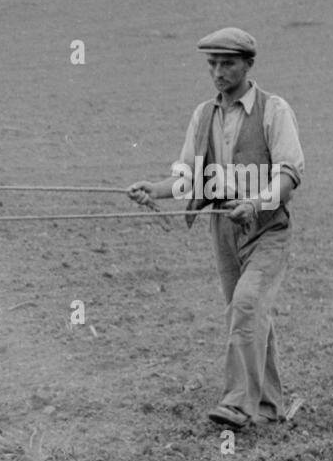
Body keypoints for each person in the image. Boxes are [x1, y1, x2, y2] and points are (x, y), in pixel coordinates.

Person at [127, 27, 305, 430]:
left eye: (228, 63)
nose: (218, 72)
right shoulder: (203, 114)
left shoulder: (274, 110)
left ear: (248, 65)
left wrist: (255, 203)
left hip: (267, 228)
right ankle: (268, 405)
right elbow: (190, 177)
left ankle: (238, 404)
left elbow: (289, 176)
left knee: (246, 305)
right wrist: (154, 189)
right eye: (212, 64)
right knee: (248, 311)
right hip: (223, 226)